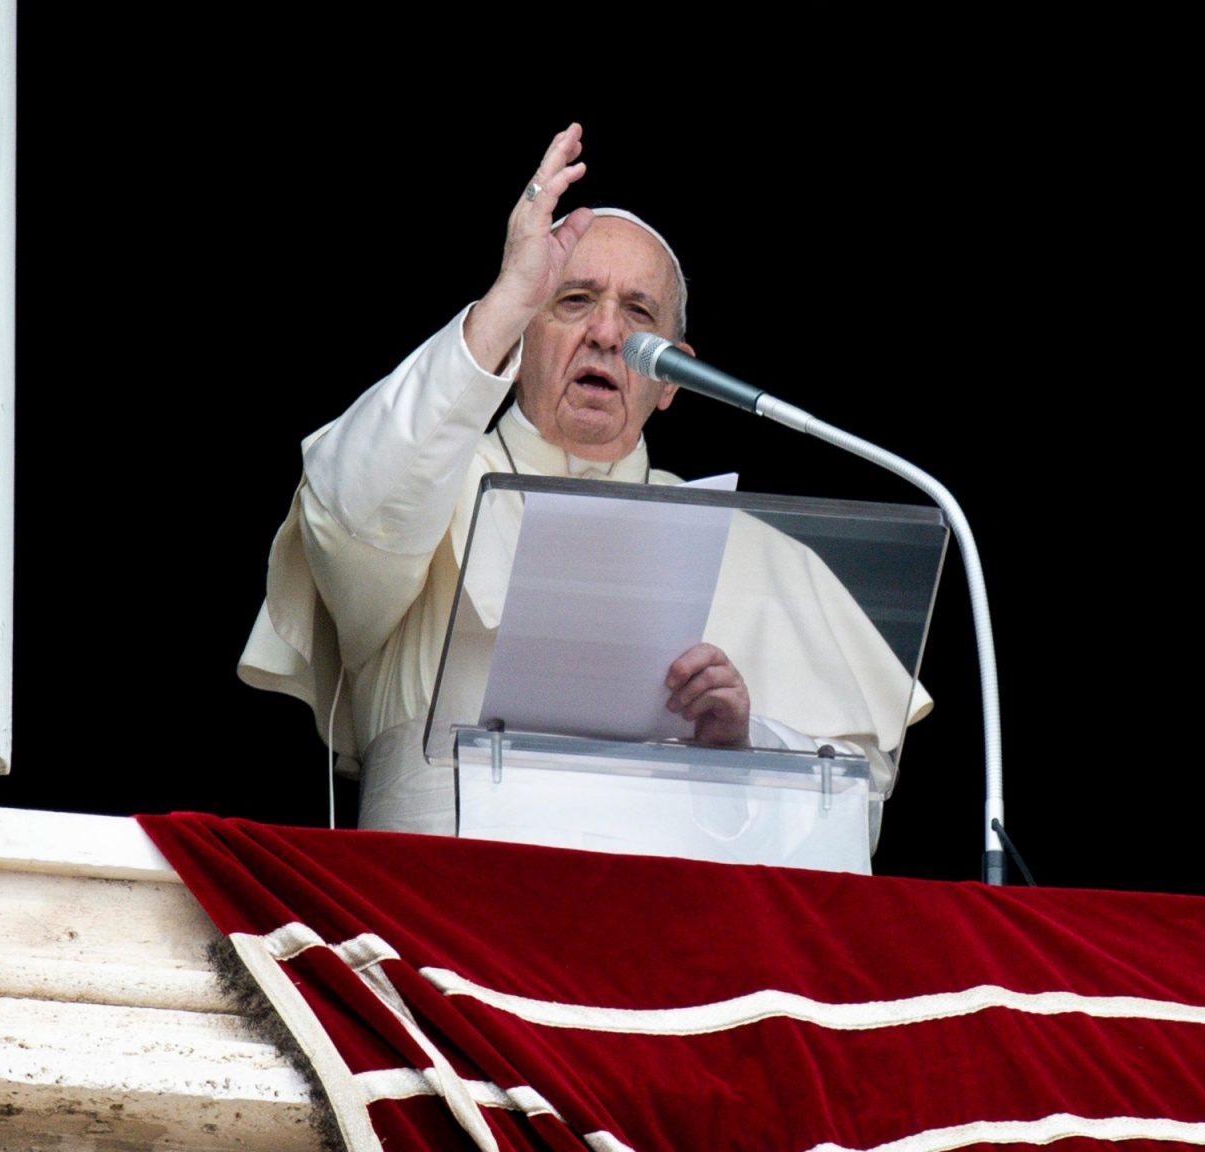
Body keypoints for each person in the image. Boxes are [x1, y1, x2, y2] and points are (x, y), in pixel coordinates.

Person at [238, 123, 928, 847]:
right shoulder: (425, 485)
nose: (606, 333)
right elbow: (346, 511)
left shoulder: (764, 553)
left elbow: (853, 805)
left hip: (670, 943)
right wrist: (508, 295)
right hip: (435, 924)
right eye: (572, 301)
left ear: (673, 379)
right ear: (523, 334)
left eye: (638, 314)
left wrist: (741, 749)